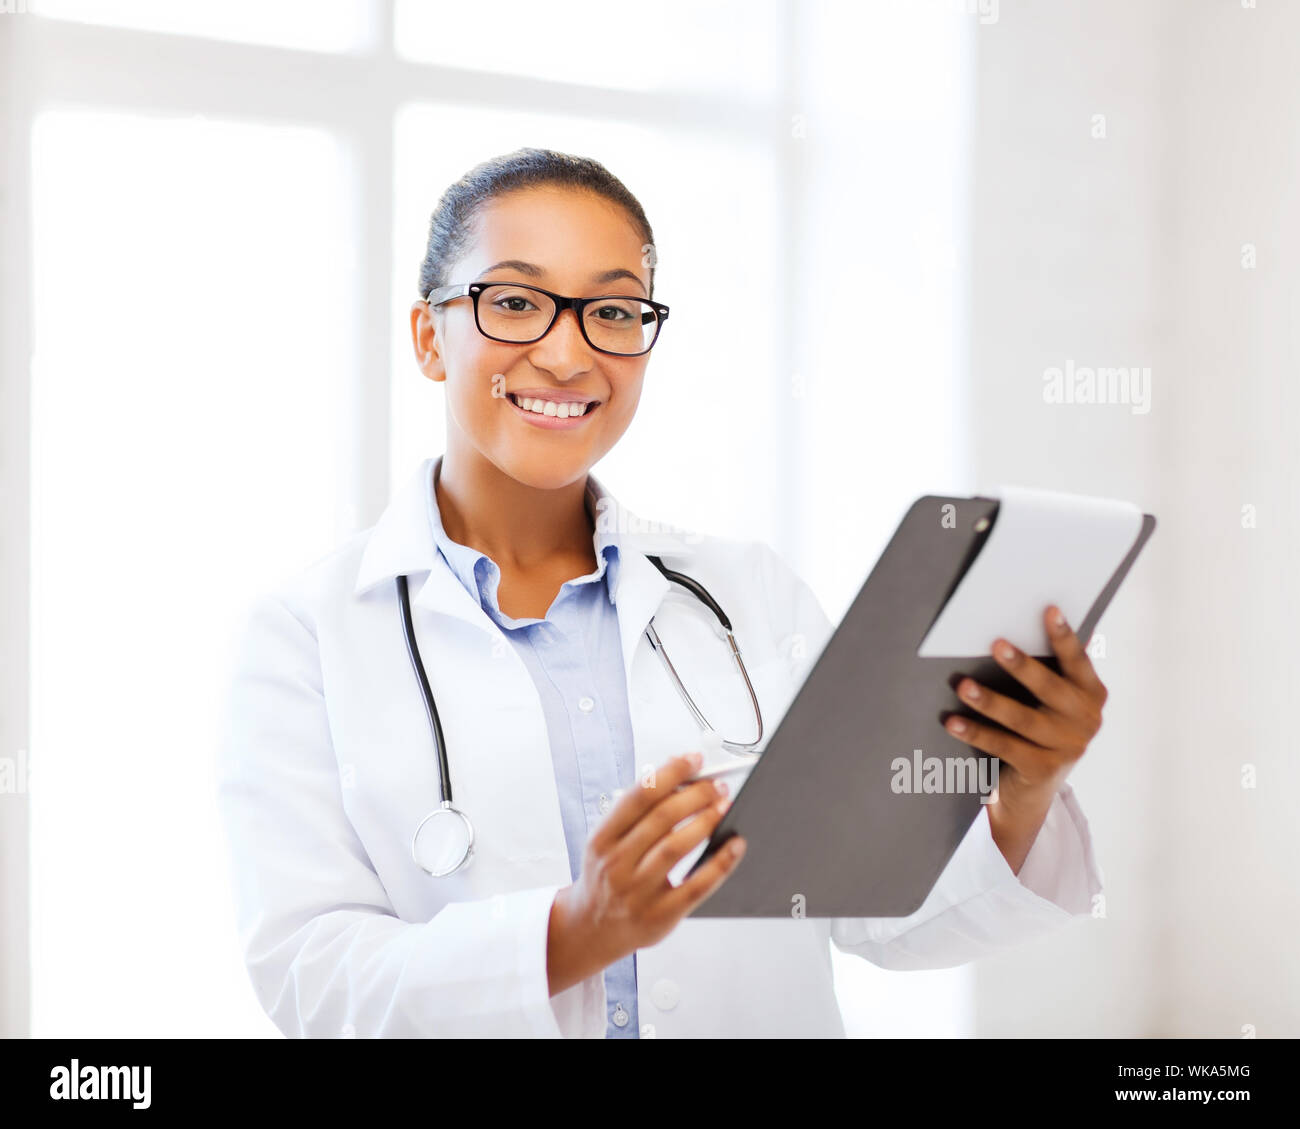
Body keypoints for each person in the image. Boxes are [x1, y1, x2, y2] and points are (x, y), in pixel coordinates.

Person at [217, 148, 1109, 1039]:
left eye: (610, 310)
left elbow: (872, 906)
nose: (567, 355)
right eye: (516, 301)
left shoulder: (750, 594)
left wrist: (1020, 791)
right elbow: (316, 980)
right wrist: (575, 931)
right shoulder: (307, 634)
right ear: (428, 336)